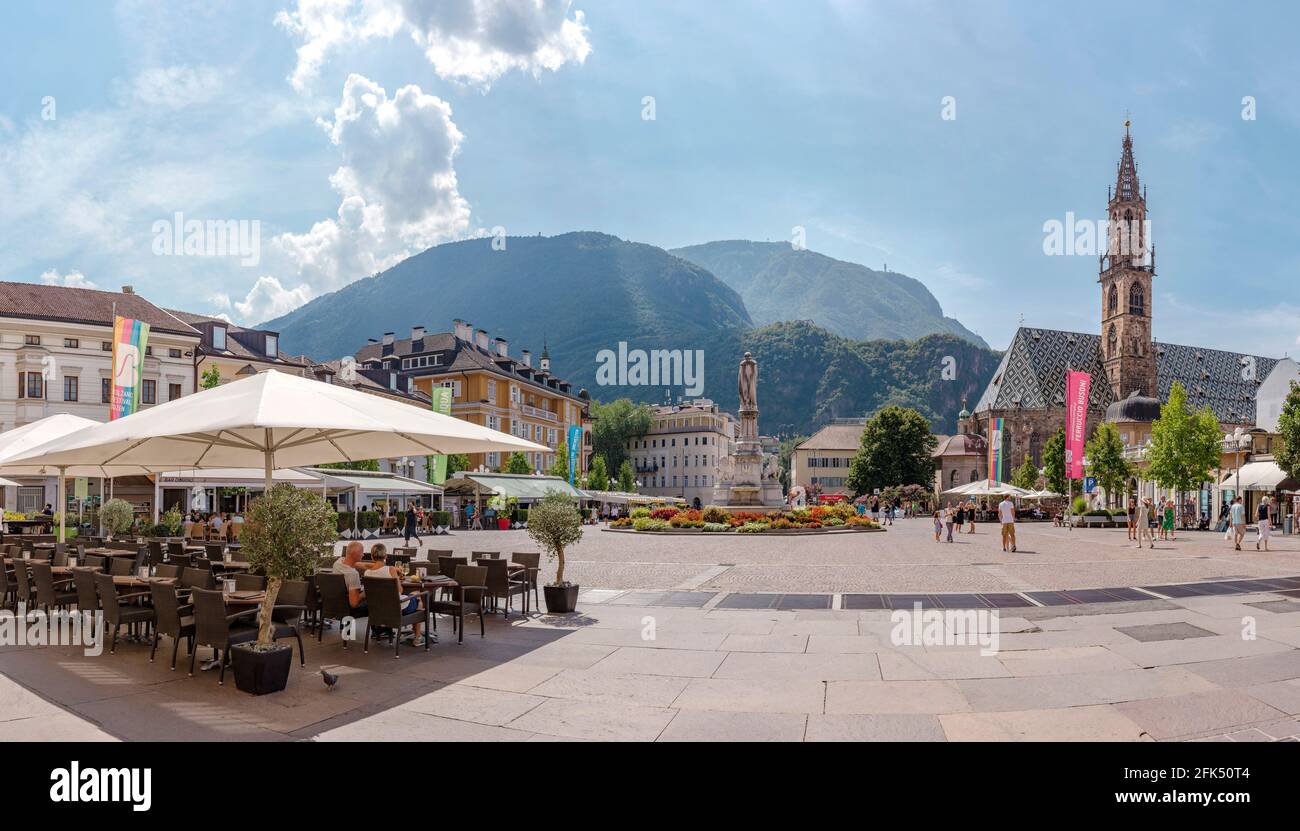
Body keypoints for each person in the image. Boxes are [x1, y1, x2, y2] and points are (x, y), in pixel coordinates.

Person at [367, 545, 426, 645]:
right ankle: (417, 636)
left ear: (372, 557)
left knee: (413, 595)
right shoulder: (391, 570)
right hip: (397, 609)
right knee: (418, 595)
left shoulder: (367, 572)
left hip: (379, 610)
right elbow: (400, 590)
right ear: (386, 556)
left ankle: (415, 633)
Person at [332, 541, 373, 614]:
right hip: (349, 609)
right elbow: (354, 604)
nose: (363, 555)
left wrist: (378, 566)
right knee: (378, 604)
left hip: (336, 604)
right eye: (361, 552)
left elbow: (356, 564)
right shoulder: (353, 574)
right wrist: (365, 593)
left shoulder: (338, 562)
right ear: (355, 554)